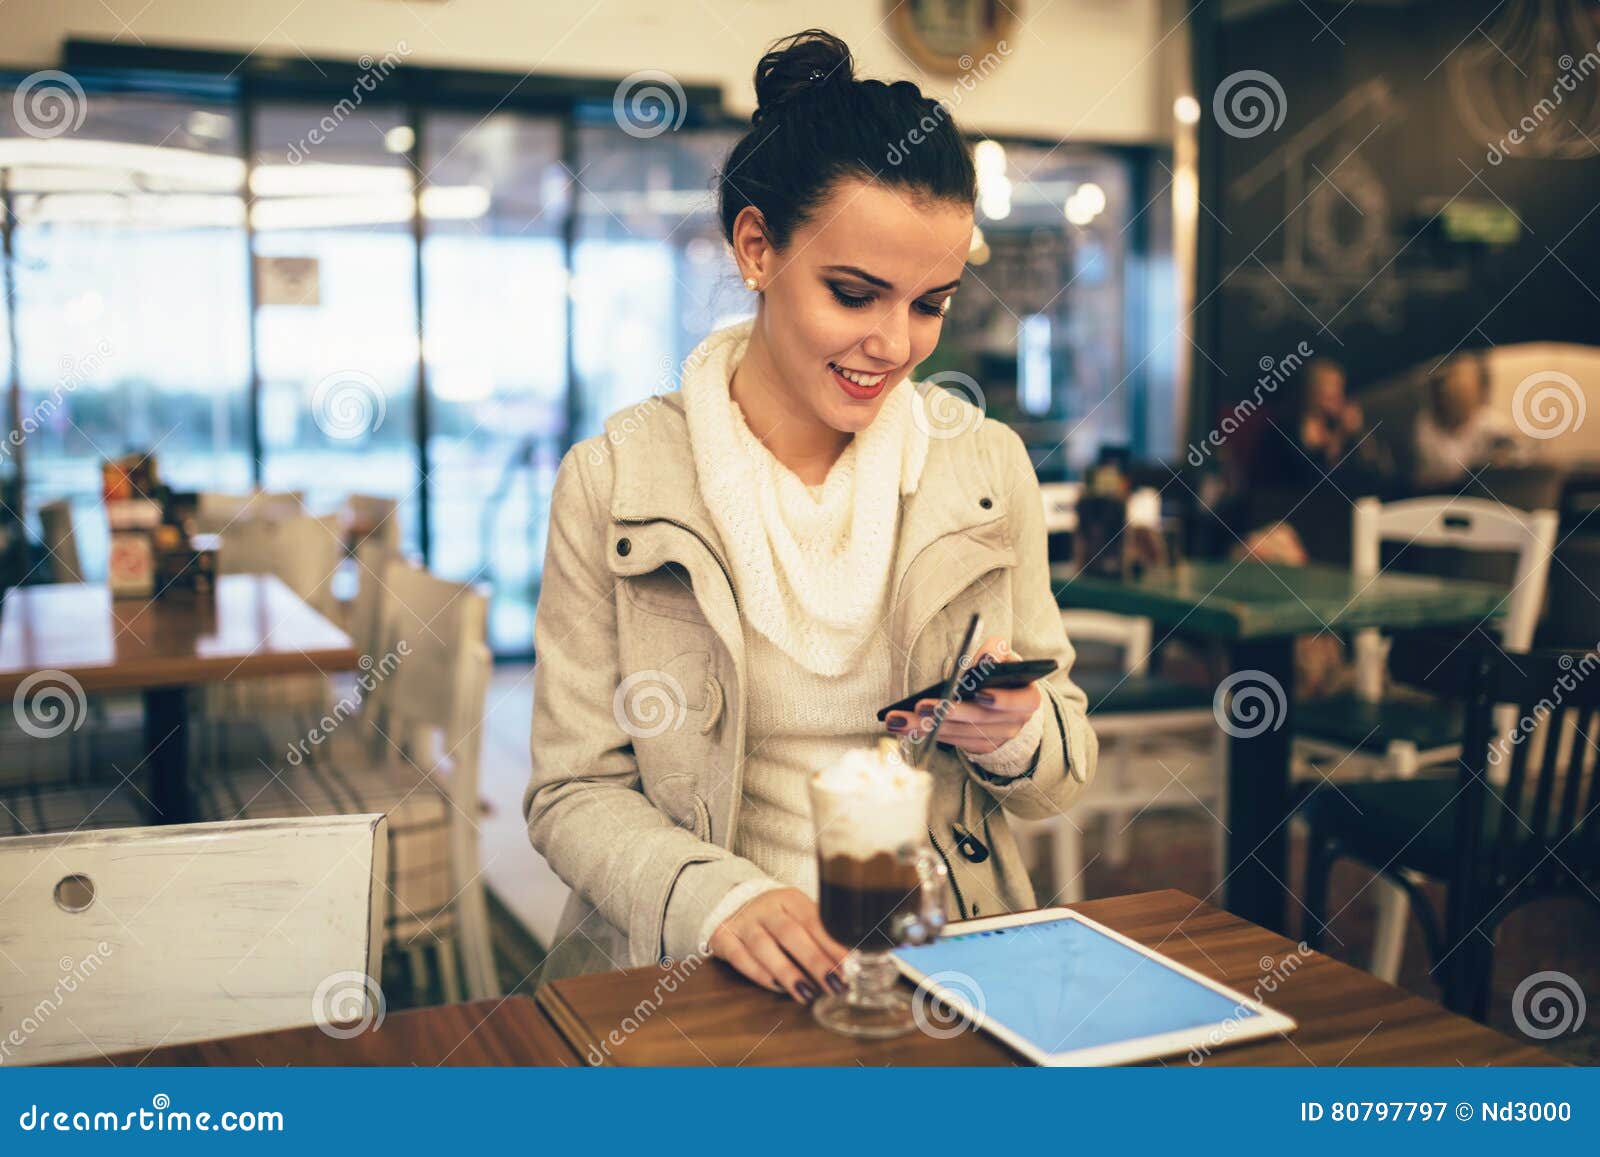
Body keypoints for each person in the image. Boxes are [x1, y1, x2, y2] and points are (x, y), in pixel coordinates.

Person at [525, 29, 1097, 1003]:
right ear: (756, 247)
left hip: (938, 964)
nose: (892, 343)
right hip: (700, 967)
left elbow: (1057, 772)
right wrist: (719, 898)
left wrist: (1008, 725)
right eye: (853, 292)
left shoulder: (984, 470)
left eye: (931, 303)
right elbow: (570, 791)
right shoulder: (618, 479)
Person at [1412, 352, 1524, 489]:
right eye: (1454, 395)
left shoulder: (1487, 420)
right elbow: (1434, 475)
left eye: (1468, 394)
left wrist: (1504, 456)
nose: (1461, 403)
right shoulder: (1427, 426)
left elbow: (1520, 448)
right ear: (1442, 396)